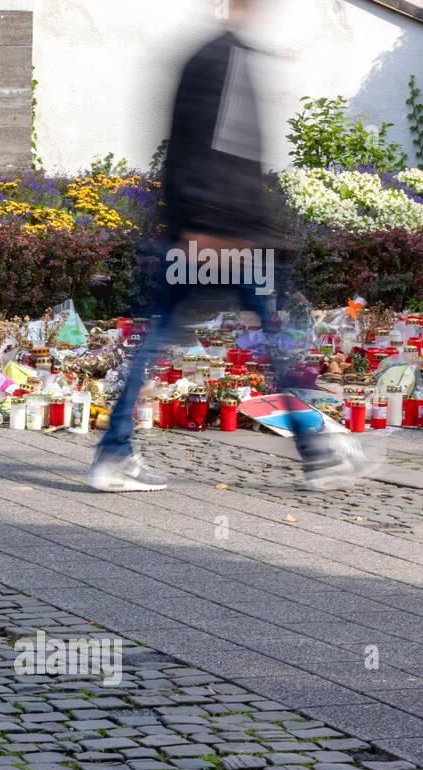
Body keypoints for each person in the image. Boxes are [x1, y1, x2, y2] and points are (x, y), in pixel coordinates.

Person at [88, 0, 370, 493]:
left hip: (207, 230)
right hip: (226, 236)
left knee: (164, 339)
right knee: (276, 342)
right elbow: (213, 154)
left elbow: (191, 149)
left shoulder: (210, 56)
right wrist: (213, 227)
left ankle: (114, 451)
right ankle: (319, 453)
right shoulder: (226, 60)